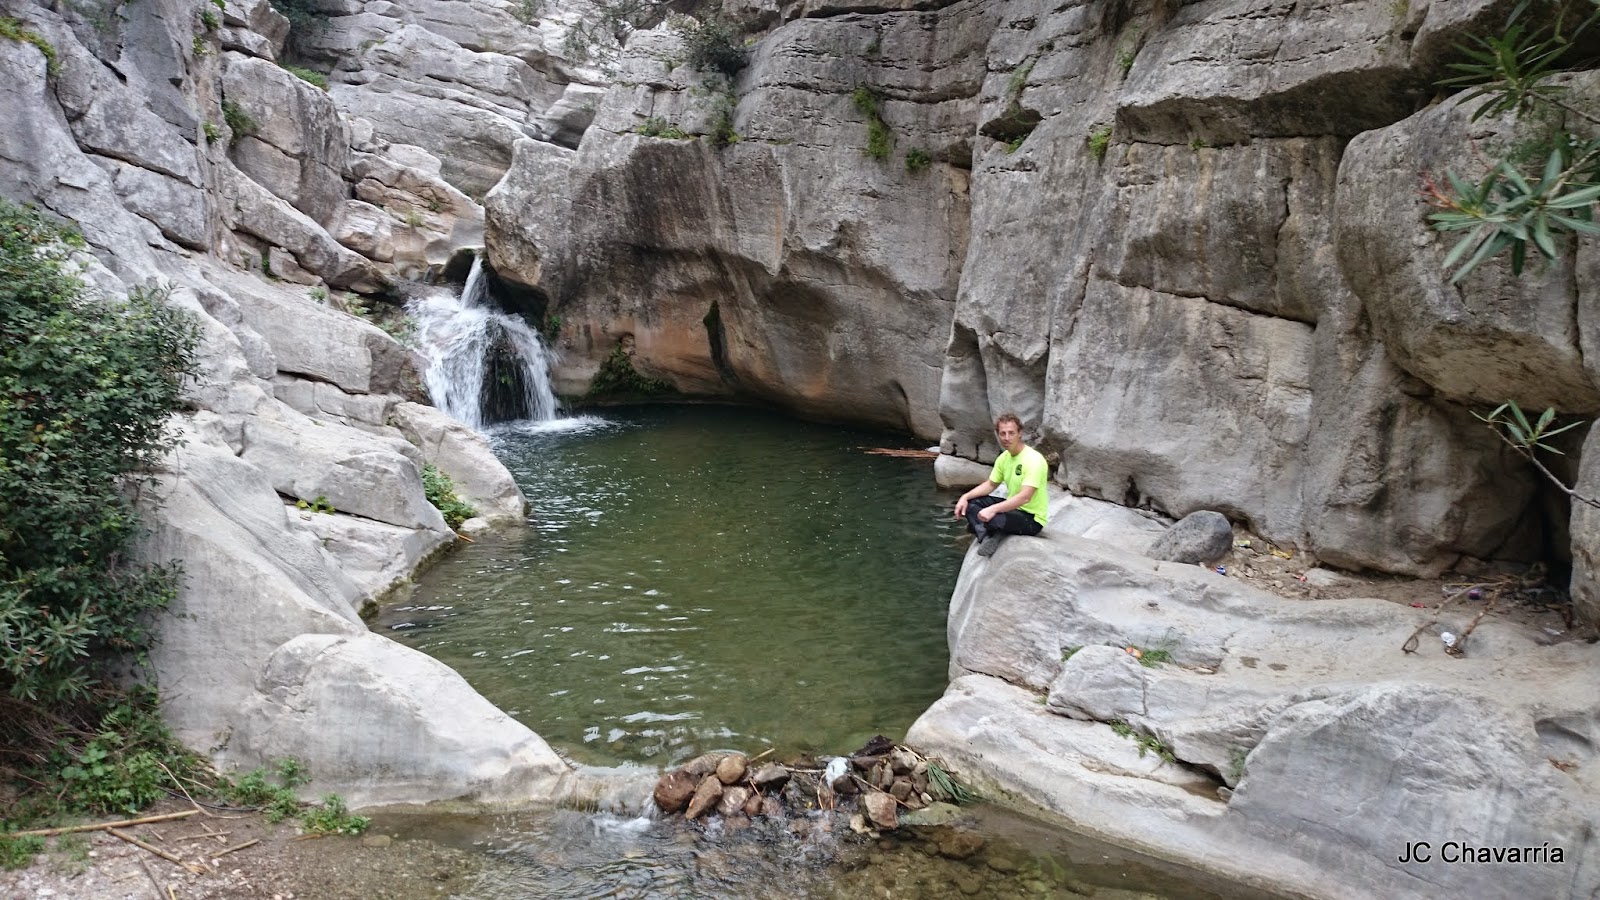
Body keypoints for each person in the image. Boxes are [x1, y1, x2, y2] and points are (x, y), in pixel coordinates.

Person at [953, 414, 1049, 558]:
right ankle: (987, 537)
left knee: (992, 517)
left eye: (1011, 433)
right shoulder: (1004, 458)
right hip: (1012, 508)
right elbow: (991, 484)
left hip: (1031, 518)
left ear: (1020, 433)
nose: (1006, 438)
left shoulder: (1034, 460)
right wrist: (964, 497)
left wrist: (992, 509)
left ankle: (985, 529)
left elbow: (1025, 497)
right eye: (1002, 433)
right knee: (972, 504)